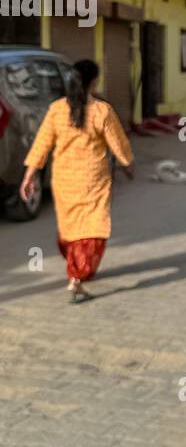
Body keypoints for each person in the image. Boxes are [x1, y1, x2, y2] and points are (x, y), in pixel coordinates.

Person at [20, 59, 134, 302]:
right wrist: (127, 165)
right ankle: (77, 277)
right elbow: (119, 145)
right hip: (93, 180)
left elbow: (41, 144)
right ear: (94, 81)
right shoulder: (102, 110)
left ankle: (77, 268)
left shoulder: (56, 109)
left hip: (63, 179)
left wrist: (29, 176)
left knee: (71, 229)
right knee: (93, 229)